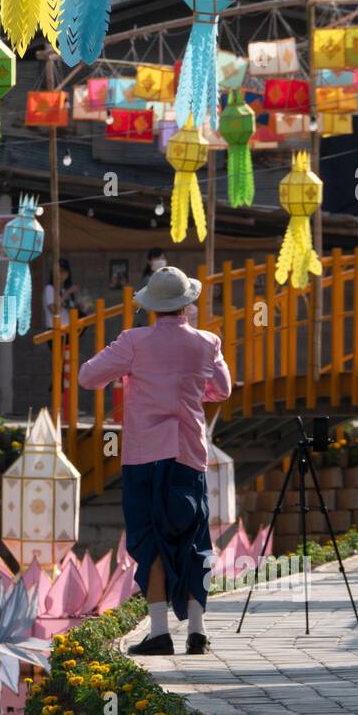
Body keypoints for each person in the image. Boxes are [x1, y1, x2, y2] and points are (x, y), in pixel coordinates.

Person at [79, 265, 232, 656]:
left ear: (152, 305)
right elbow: (223, 389)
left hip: (144, 455)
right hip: (189, 454)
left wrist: (127, 372)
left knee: (150, 539)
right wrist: (194, 392)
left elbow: (88, 377)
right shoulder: (207, 342)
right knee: (193, 536)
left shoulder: (133, 341)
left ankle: (159, 632)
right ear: (186, 304)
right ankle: (197, 631)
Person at [42, 257, 78, 328]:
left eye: (64, 271)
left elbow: (70, 310)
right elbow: (54, 310)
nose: (61, 274)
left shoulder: (64, 289)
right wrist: (67, 293)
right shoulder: (49, 289)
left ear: (68, 274)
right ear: (53, 272)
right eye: (58, 271)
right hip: (55, 331)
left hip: (68, 330)